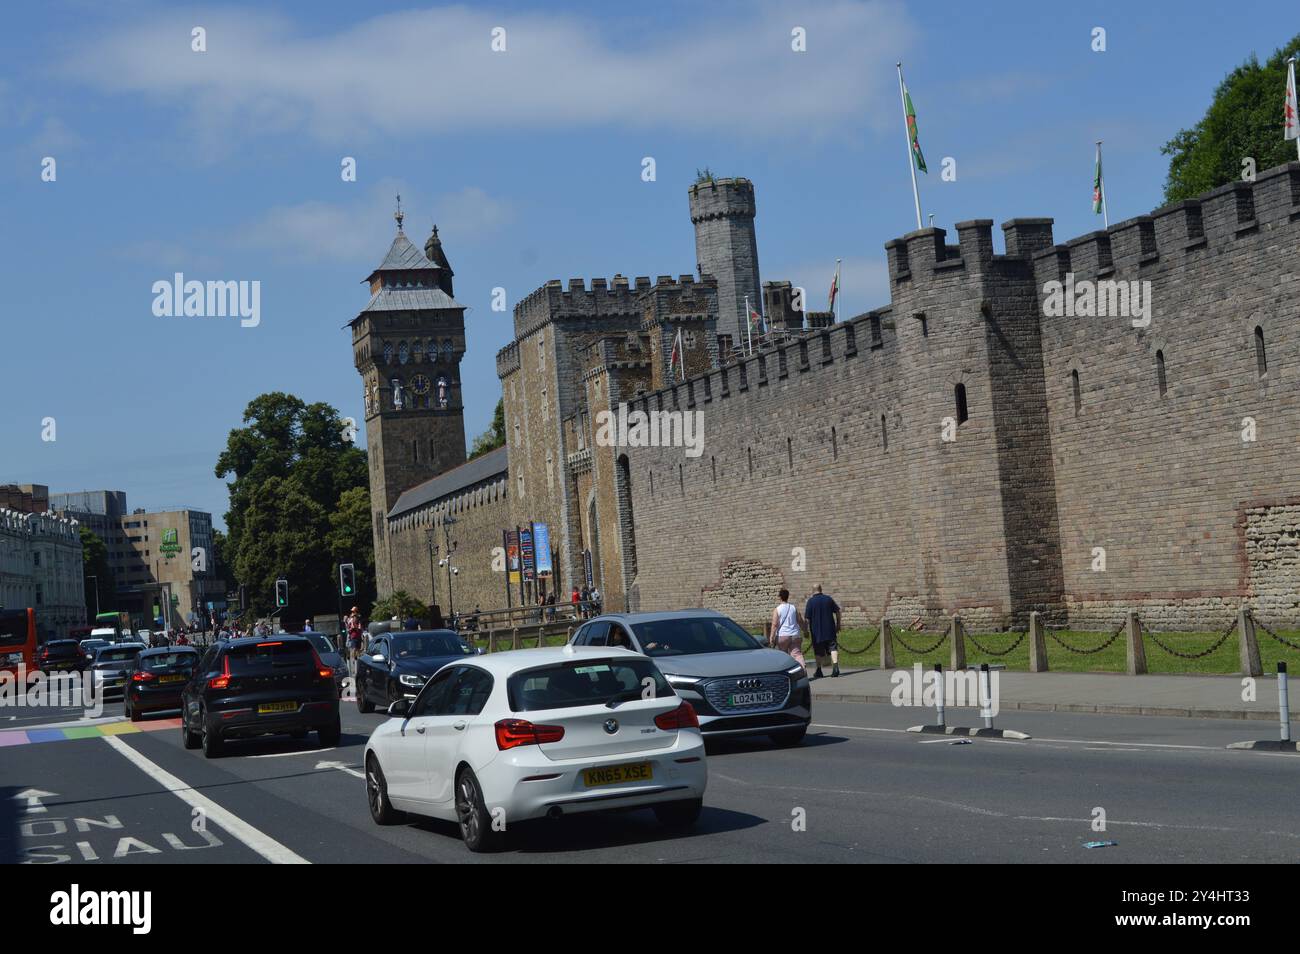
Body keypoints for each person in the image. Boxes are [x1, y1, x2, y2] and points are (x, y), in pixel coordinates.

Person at [804, 583, 842, 679]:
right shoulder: (828, 599)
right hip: (830, 629)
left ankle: (819, 670)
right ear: (821, 589)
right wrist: (838, 624)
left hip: (816, 631)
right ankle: (836, 667)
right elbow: (837, 612)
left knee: (818, 651)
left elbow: (807, 619)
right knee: (833, 647)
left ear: (813, 590)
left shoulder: (810, 602)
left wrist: (806, 630)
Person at [769, 588, 806, 669]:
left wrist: (771, 637)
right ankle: (803, 670)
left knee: (784, 656)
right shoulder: (793, 608)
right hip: (795, 635)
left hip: (783, 635)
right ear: (788, 597)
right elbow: (800, 620)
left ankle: (787, 673)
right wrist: (805, 630)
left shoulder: (777, 609)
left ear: (780, 597)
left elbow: (774, 624)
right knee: (797, 655)